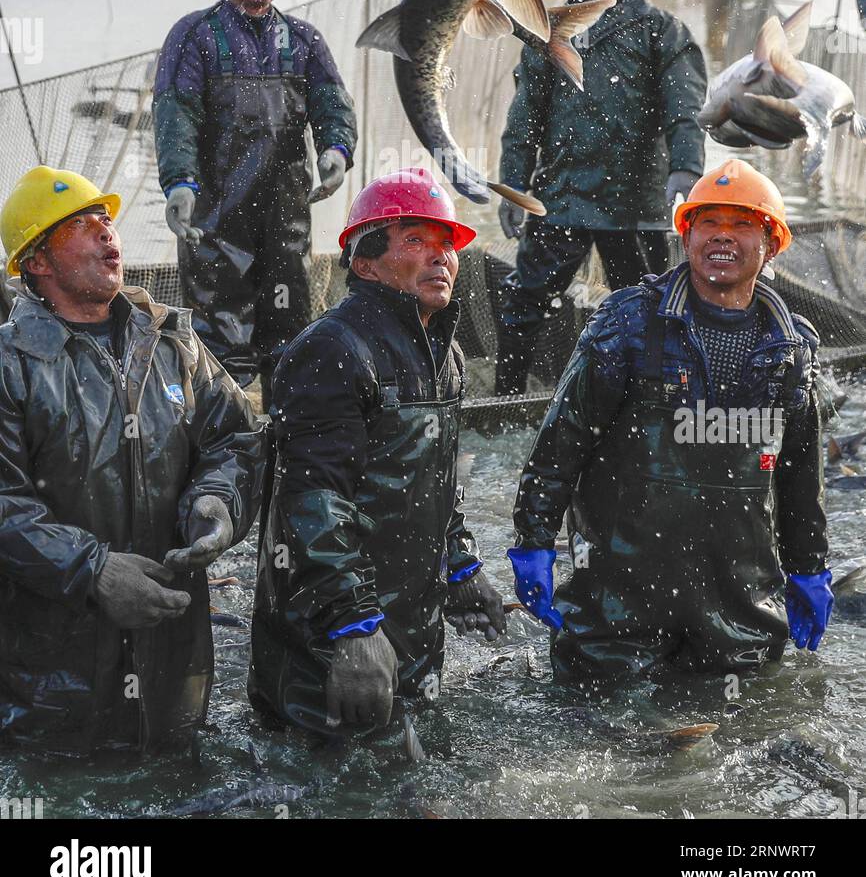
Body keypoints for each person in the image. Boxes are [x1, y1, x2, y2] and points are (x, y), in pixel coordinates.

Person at [509, 159, 832, 691]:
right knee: (603, 728)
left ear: (771, 243)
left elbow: (800, 476)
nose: (722, 237)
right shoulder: (627, 323)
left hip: (738, 609)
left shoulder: (792, 350)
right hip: (619, 605)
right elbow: (562, 441)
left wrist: (809, 566)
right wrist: (533, 537)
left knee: (742, 742)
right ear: (686, 236)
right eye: (708, 223)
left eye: (742, 224)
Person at [0, 166, 264, 753]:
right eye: (83, 225)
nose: (107, 234)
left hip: (173, 654)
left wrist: (218, 500)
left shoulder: (174, 343)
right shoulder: (10, 364)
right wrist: (91, 568)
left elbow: (237, 438)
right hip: (53, 679)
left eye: (107, 221)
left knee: (175, 781)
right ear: (37, 261)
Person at [248, 168, 506, 732]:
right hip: (329, 640)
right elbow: (312, 503)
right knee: (327, 788)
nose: (441, 256)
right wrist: (355, 628)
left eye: (447, 244)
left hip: (408, 628)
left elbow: (436, 484)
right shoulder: (331, 349)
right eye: (415, 240)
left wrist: (459, 566)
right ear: (364, 263)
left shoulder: (448, 357)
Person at [495, 0, 707, 396]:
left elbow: (685, 105)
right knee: (523, 303)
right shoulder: (547, 30)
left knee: (654, 311)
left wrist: (686, 168)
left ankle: (651, 398)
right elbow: (524, 118)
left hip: (638, 201)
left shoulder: (660, 29)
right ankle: (502, 399)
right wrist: (512, 185)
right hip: (563, 195)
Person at [153, 0, 358, 395]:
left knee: (290, 339)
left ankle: (289, 444)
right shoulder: (194, 35)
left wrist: (336, 150)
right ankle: (229, 446)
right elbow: (174, 114)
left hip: (285, 222)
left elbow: (333, 102)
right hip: (215, 223)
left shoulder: (304, 40)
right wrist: (179, 183)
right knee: (220, 346)